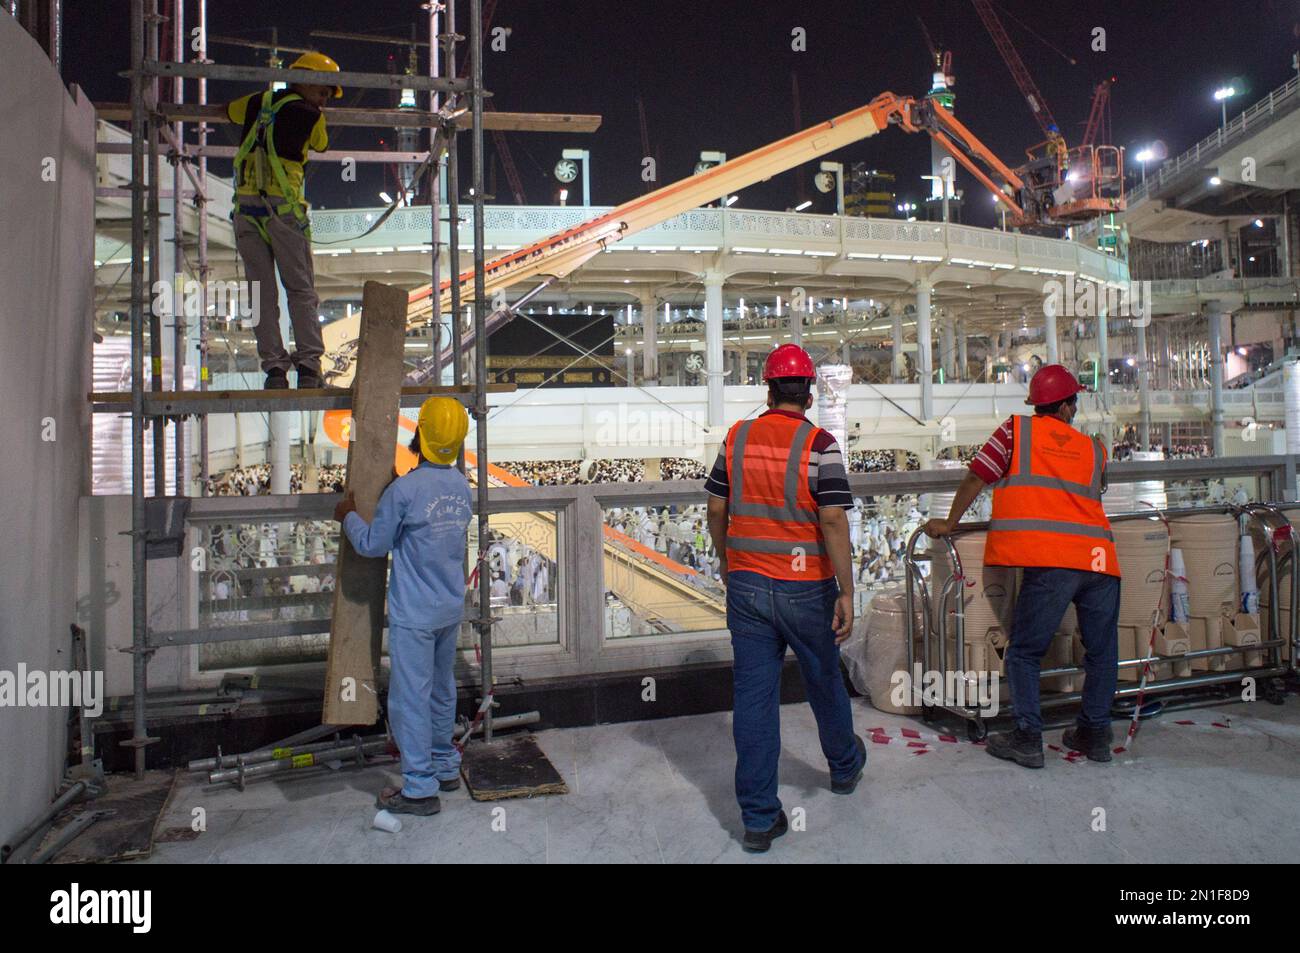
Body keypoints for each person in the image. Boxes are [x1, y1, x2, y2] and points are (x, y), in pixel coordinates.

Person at [705, 343, 865, 853]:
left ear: (768, 389)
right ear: (810, 393)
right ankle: (843, 767)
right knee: (823, 680)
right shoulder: (821, 445)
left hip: (748, 586)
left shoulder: (738, 436)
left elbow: (715, 509)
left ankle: (757, 818)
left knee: (753, 700)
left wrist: (729, 563)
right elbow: (834, 518)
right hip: (806, 591)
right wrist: (847, 590)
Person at [923, 363, 1121, 769]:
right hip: (1101, 561)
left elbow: (977, 477)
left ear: (1038, 405)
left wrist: (950, 523)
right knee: (1101, 652)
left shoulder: (1016, 432)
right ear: (1066, 408)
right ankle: (1095, 734)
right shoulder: (1092, 447)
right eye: (1075, 402)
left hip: (1053, 563)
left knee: (1025, 653)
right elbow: (1094, 490)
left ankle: (1028, 738)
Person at [334, 396, 472, 815]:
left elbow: (374, 544)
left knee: (410, 697)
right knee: (442, 689)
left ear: (420, 434)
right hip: (449, 608)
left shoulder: (405, 490)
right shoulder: (461, 486)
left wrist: (348, 517)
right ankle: (446, 765)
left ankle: (418, 788)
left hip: (415, 614)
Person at [226, 52, 342, 390]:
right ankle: (308, 367)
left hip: (247, 211)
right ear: (306, 81)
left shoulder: (255, 102)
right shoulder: (311, 116)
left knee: (261, 294)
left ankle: (275, 371)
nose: (323, 100)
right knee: (301, 290)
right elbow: (320, 144)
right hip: (284, 212)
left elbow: (230, 111)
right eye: (323, 92)